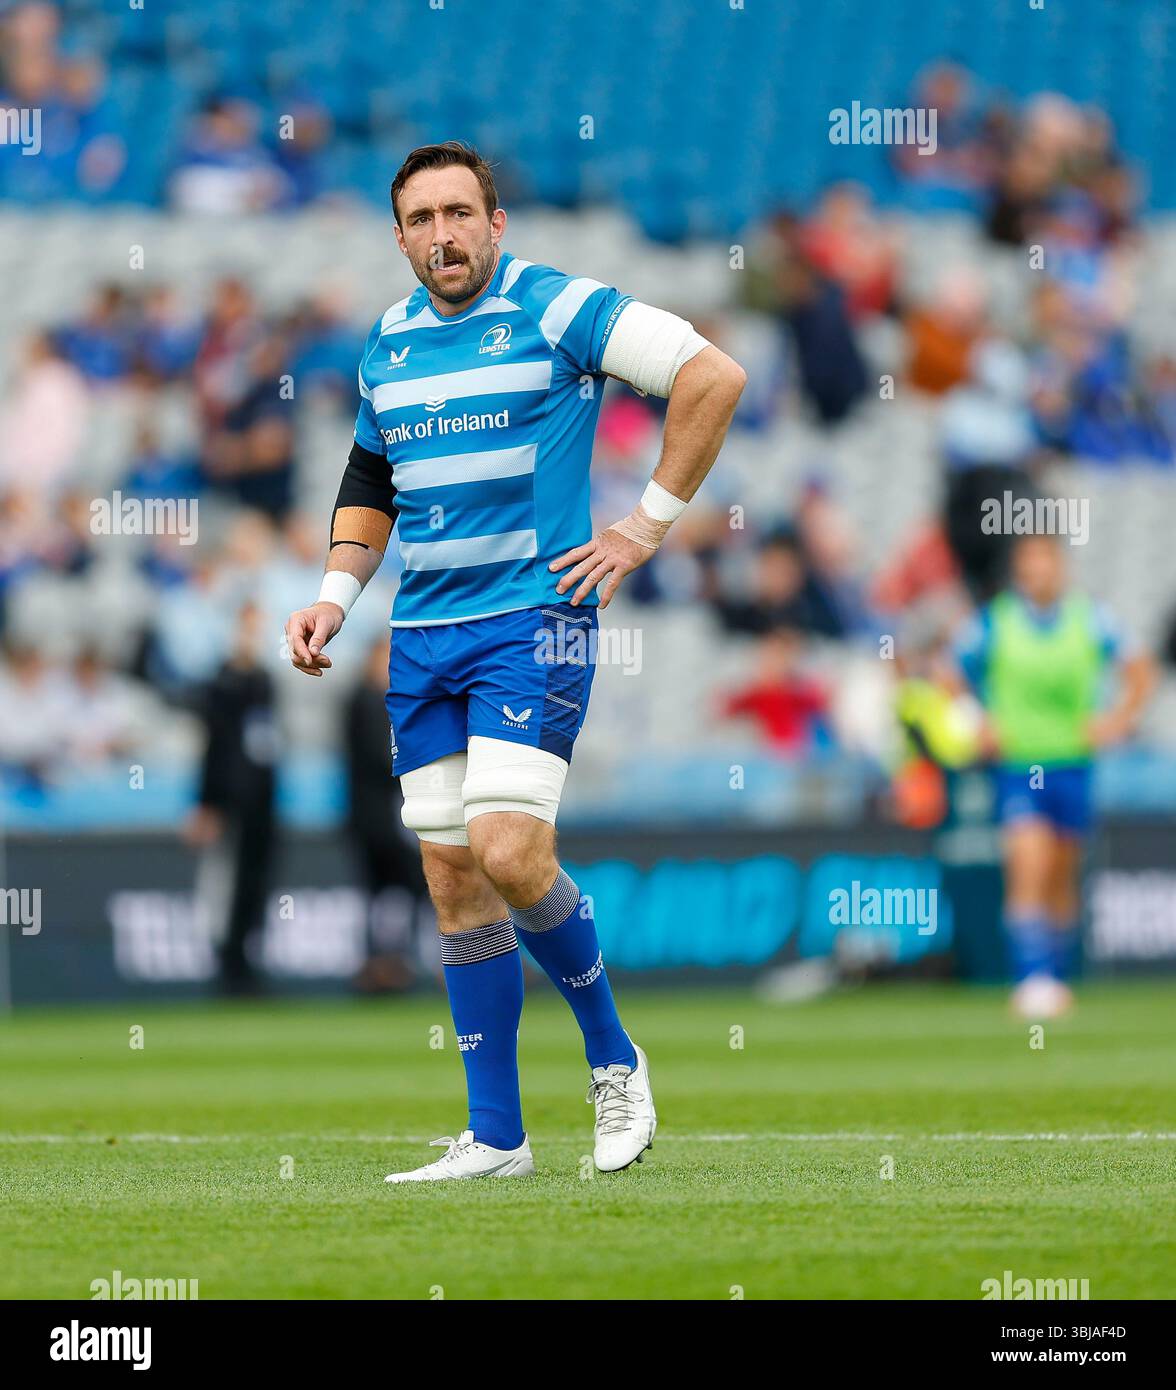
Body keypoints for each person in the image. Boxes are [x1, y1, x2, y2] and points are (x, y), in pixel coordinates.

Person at [284, 141, 746, 1181]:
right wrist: (331, 597)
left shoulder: (558, 308)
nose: (442, 234)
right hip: (423, 636)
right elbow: (370, 483)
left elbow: (713, 375)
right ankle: (497, 1136)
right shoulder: (387, 346)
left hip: (533, 618)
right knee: (452, 877)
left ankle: (615, 1057)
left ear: (497, 224)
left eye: (459, 213)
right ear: (398, 236)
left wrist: (643, 526)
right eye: (421, 219)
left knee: (506, 847)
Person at [953, 534, 1155, 1018]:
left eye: (1045, 563)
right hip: (1022, 764)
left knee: (1062, 873)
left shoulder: (1091, 618)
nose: (1038, 573)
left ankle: (1055, 977)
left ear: (1060, 567)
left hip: (1073, 762)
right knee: (1028, 863)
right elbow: (950, 671)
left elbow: (1140, 667)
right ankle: (1032, 978)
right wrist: (979, 720)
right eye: (1030, 564)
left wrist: (1119, 719)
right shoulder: (995, 621)